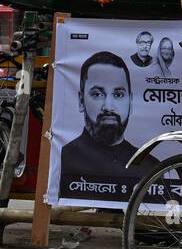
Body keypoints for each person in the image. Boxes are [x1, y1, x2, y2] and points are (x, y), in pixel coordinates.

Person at [59, 51, 140, 193]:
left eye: (118, 95)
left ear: (131, 102)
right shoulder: (61, 159)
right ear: (81, 101)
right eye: (97, 94)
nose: (108, 107)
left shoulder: (150, 167)